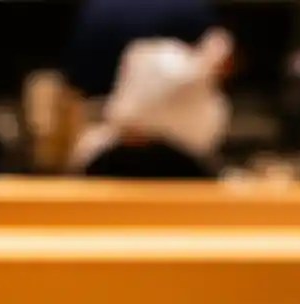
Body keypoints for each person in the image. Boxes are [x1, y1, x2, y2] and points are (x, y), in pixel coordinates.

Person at [58, 0, 231, 178]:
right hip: (121, 126)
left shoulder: (99, 8)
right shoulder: (190, 10)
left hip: (108, 120)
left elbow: (75, 81)